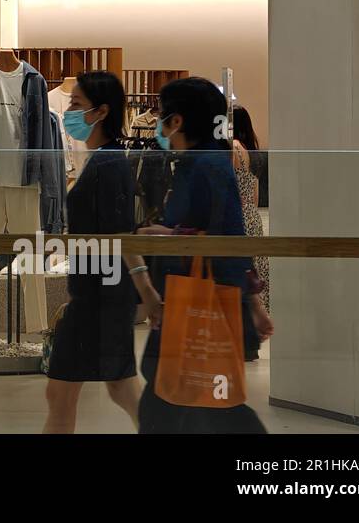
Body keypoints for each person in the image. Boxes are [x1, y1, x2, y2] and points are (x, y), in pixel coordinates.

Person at [136, 77, 274, 433]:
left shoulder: (207, 164)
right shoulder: (196, 162)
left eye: (162, 116)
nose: (158, 124)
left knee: (195, 398)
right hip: (194, 294)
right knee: (186, 396)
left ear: (177, 121)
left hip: (203, 299)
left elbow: (228, 236)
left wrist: (169, 235)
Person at [43, 71, 158, 433]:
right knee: (116, 388)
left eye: (77, 104)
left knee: (65, 391)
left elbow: (120, 233)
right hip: (98, 294)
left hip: (101, 298)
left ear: (102, 112)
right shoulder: (101, 160)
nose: (69, 112)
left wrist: (147, 293)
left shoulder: (108, 164)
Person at [231, 105, 270, 356]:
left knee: (241, 275)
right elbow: (253, 194)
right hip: (251, 215)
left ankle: (246, 339)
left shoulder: (233, 148)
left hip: (239, 216)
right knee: (252, 274)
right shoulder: (250, 151)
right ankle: (251, 340)